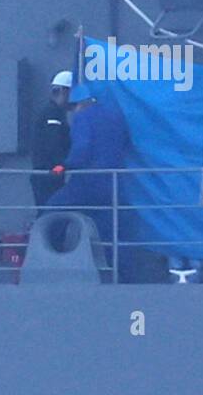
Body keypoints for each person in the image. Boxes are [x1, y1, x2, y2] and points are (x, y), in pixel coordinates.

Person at [45, 82, 130, 266]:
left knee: (51, 211)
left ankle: (51, 256)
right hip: (114, 184)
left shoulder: (83, 118)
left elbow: (81, 151)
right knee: (111, 233)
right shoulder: (116, 117)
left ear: (79, 103)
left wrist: (63, 167)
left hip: (87, 182)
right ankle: (120, 275)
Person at [30, 70, 74, 208]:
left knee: (52, 214)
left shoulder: (55, 113)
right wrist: (63, 164)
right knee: (50, 214)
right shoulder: (52, 114)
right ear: (63, 91)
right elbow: (52, 144)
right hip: (47, 175)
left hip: (51, 174)